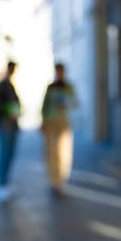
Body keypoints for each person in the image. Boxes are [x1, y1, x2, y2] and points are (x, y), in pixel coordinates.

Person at [41, 63, 77, 194]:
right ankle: (53, 179)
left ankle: (61, 180)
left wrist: (66, 103)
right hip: (51, 121)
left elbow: (75, 103)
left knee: (64, 151)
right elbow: (44, 106)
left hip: (63, 122)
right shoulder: (51, 87)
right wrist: (43, 122)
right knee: (51, 151)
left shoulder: (68, 87)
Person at [0, 61, 21, 201]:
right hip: (5, 125)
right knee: (4, 154)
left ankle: (5, 183)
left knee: (10, 154)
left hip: (12, 125)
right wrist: (7, 114)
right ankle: (1, 184)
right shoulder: (2, 85)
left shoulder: (10, 85)